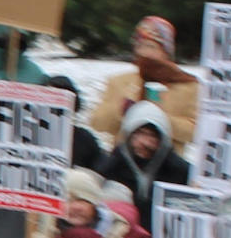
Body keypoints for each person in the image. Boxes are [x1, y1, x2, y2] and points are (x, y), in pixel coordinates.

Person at [85, 14, 198, 154]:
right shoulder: (119, 82)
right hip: (122, 163)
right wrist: (122, 109)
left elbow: (194, 132)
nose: (144, 52)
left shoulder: (188, 86)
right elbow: (97, 123)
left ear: (166, 52)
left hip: (167, 167)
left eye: (151, 46)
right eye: (140, 46)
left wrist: (159, 119)